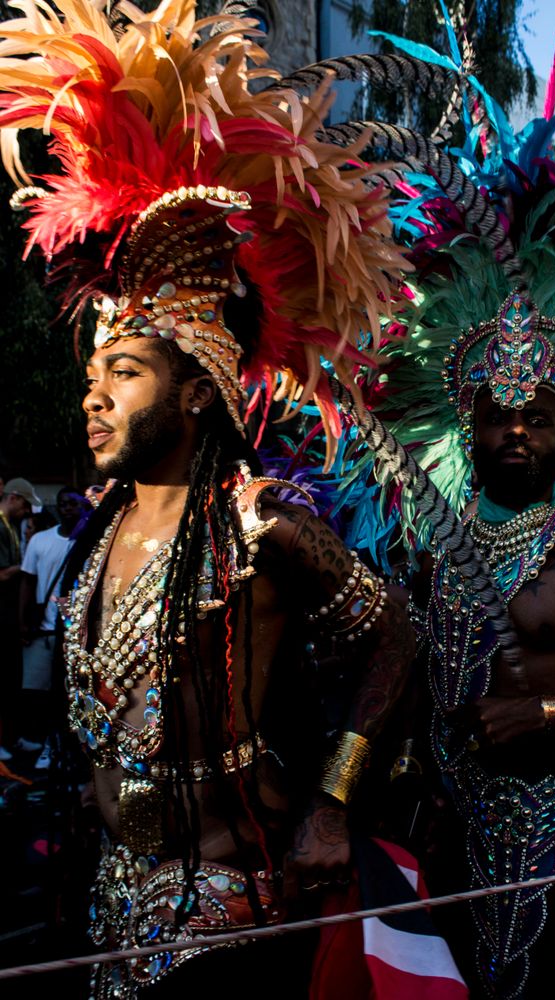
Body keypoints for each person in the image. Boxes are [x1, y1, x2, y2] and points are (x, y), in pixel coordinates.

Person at [0, 1, 414, 995]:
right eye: (94, 371)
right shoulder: (98, 530)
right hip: (106, 893)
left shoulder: (256, 522)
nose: (94, 393)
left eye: (126, 372)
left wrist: (332, 804)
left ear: (197, 392)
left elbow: (392, 632)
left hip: (226, 905)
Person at [325, 6, 555, 998]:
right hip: (441, 826)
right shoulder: (420, 538)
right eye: (497, 413)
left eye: (538, 416)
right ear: (466, 422)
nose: (515, 430)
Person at [17, 487, 84, 756]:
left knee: (67, 694)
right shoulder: (41, 541)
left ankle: (64, 749)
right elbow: (27, 580)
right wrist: (23, 621)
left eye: (72, 503)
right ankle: (42, 744)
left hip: (74, 633)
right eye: (62, 504)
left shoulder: (90, 542)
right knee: (37, 691)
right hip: (44, 630)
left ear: (83, 506)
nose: (66, 508)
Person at [0, 477, 42, 761]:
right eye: (26, 505)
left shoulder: (11, 527)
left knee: (9, 680)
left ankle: (11, 739)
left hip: (7, 615)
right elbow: (1, 574)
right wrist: (28, 563)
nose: (28, 512)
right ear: (13, 498)